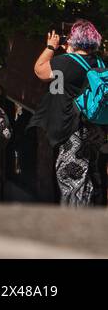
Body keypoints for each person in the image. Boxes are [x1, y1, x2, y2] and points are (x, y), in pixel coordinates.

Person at [33, 19, 106, 207]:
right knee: (90, 175)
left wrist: (51, 46)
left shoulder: (64, 62)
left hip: (73, 128)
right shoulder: (100, 62)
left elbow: (40, 71)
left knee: (70, 177)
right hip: (95, 128)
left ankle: (74, 224)